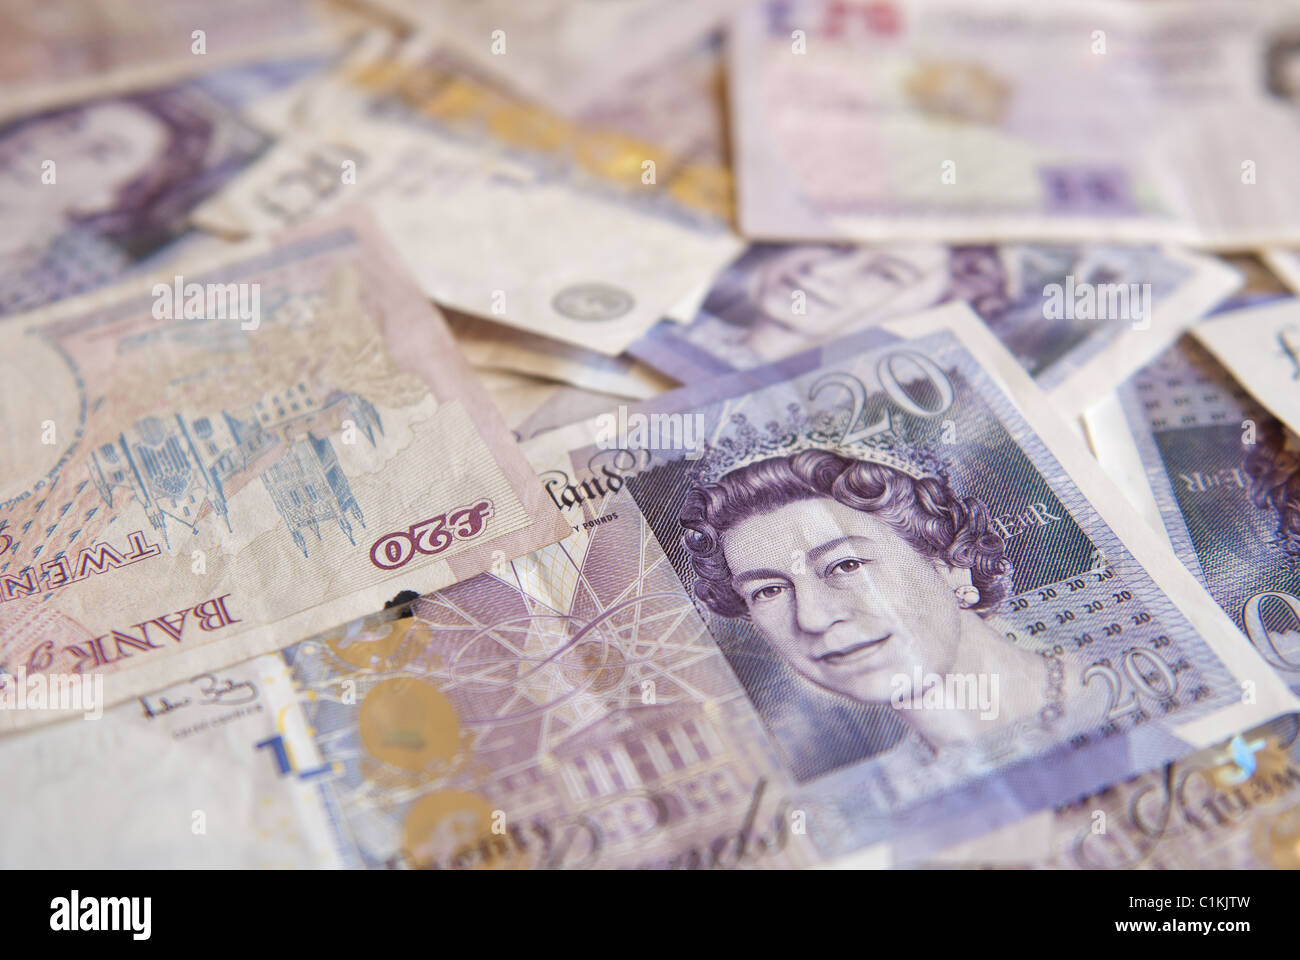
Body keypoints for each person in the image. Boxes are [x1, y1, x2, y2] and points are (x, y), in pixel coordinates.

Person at [680, 448, 1085, 754]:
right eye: (768, 591)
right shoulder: (867, 802)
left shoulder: (1105, 681)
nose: (813, 618)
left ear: (950, 562)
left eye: (846, 564)